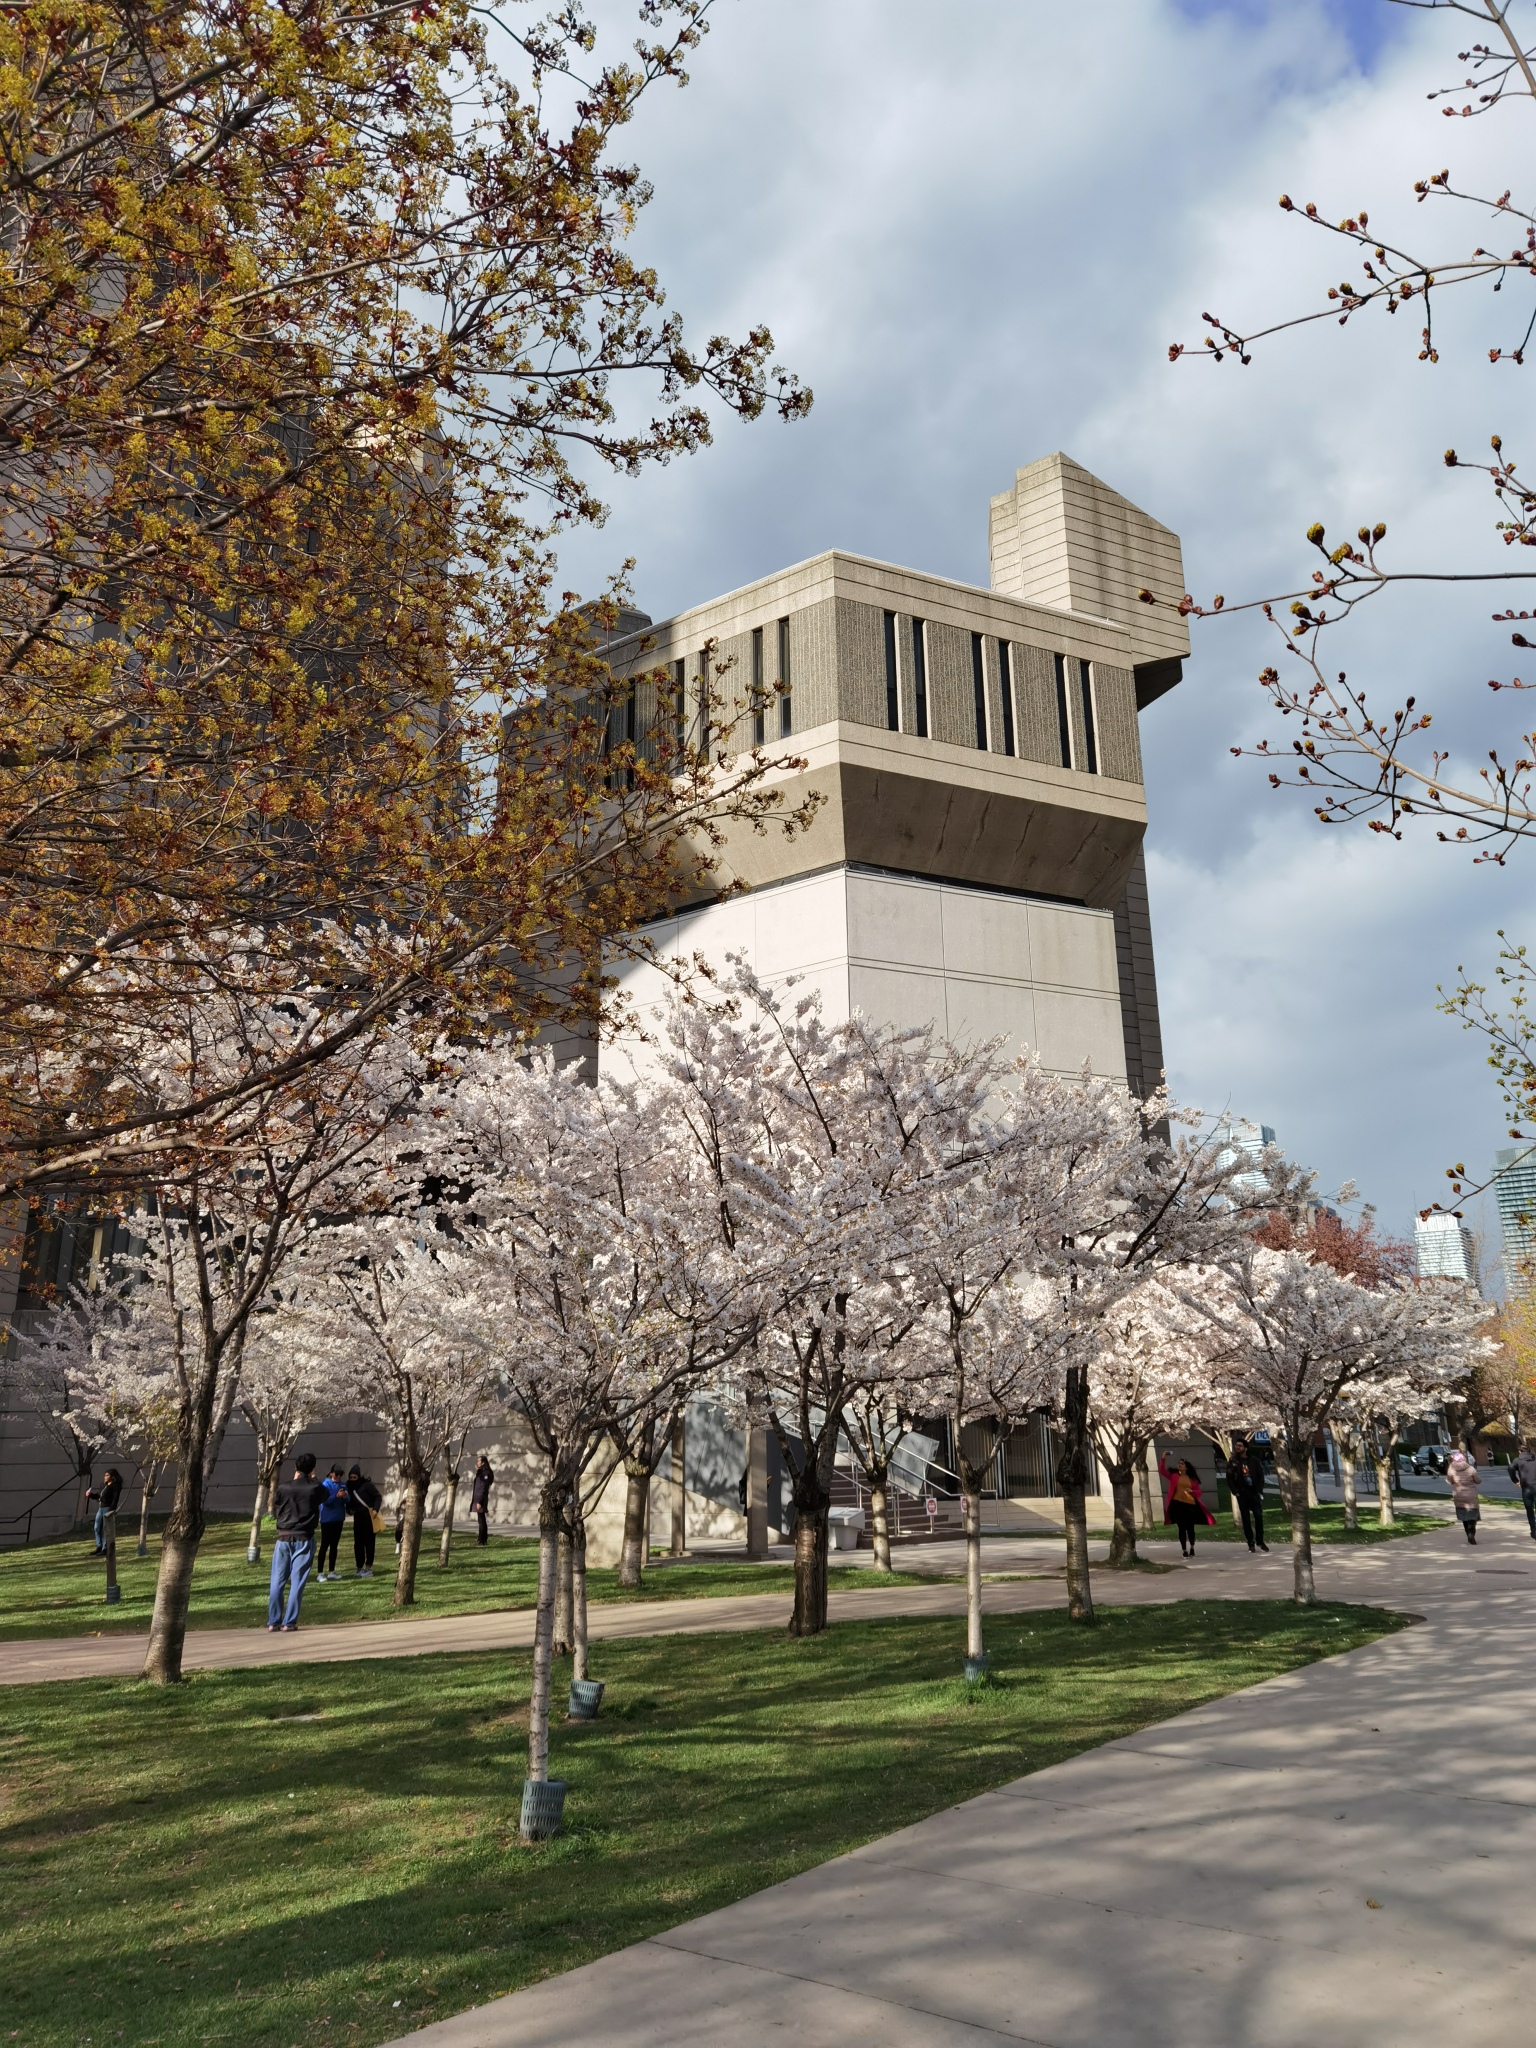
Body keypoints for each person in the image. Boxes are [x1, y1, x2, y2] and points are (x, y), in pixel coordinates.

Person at [268, 1451, 325, 1631]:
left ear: (295, 1468)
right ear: (312, 1469)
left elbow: (276, 1503)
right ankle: (289, 1622)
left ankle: (273, 1621)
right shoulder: (315, 1488)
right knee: (297, 1581)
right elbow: (324, 1494)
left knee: (277, 1580)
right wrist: (312, 1478)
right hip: (303, 1537)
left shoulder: (283, 1487)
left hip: (283, 1537)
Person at [1163, 1457, 1213, 1558]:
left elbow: (1199, 1492)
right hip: (1177, 1504)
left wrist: (1192, 1491)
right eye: (1179, 1463)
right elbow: (1162, 1471)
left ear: (1186, 1467)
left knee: (1190, 1528)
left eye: (1182, 1464)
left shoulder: (1192, 1479)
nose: (1179, 1465)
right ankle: (1184, 1550)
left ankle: (1192, 1548)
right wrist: (1163, 1459)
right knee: (1181, 1527)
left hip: (1190, 1505)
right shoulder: (1174, 1476)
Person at [347, 1463, 382, 1578]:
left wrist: (375, 1509)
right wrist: (350, 1510)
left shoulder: (366, 1485)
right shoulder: (349, 1487)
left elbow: (377, 1496)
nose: (352, 1479)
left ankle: (368, 1566)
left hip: (369, 1518)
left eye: (355, 1477)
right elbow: (348, 1502)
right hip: (358, 1518)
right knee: (358, 1544)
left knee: (369, 1543)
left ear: (359, 1476)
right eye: (351, 1477)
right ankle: (359, 1567)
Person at [314, 1464, 349, 1580]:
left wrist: (345, 1497)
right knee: (325, 1545)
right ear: (331, 1473)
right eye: (336, 1474)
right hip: (327, 1519)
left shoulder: (343, 1485)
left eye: (340, 1475)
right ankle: (320, 1572)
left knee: (334, 1545)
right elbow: (325, 1501)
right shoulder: (325, 1485)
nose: (338, 1477)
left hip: (339, 1519)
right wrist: (336, 1496)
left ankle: (331, 1571)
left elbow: (348, 1500)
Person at [1447, 1448, 1482, 1546]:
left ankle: (1468, 1534)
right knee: (1472, 1516)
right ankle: (1472, 1533)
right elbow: (1478, 1480)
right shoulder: (1470, 1469)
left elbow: (1449, 1481)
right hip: (1471, 1496)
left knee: (1464, 1516)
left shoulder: (1451, 1469)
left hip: (1458, 1495)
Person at [86, 1468, 123, 1554]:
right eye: (105, 1475)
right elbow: (98, 1496)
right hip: (101, 1508)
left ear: (112, 1476)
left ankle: (105, 1548)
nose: (105, 1477)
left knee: (106, 1528)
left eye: (107, 1475)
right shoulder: (104, 1486)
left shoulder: (115, 1486)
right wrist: (90, 1495)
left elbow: (115, 1499)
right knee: (97, 1527)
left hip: (108, 1508)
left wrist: (111, 1510)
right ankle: (99, 1546)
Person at [1512, 1440, 1536, 1541]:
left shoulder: (1517, 1460)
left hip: (1526, 1487)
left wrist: (1515, 1480)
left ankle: (1534, 1530)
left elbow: (1510, 1468)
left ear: (1519, 1451)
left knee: (1529, 1510)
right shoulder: (1534, 1459)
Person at [471, 1454, 495, 1546]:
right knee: (481, 1519)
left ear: (483, 1462)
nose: (477, 1463)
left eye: (479, 1461)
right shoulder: (480, 1473)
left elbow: (483, 1488)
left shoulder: (485, 1474)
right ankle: (481, 1539)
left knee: (481, 1520)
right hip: (478, 1499)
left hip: (480, 1500)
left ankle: (482, 1540)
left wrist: (480, 1502)